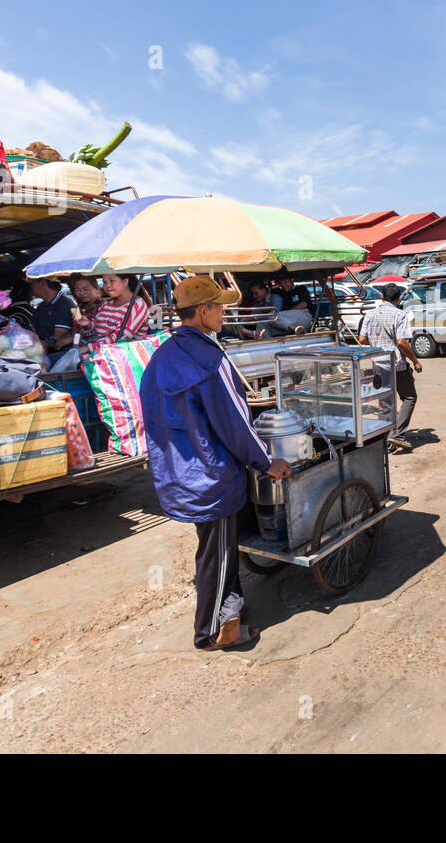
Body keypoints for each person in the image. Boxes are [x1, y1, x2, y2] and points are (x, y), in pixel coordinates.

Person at [142, 275, 293, 650]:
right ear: (204, 311)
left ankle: (230, 613)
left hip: (178, 471)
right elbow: (236, 423)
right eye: (221, 307)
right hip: (211, 475)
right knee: (217, 556)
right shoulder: (211, 359)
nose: (225, 313)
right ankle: (210, 633)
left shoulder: (161, 356)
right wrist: (265, 461)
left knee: (217, 549)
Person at [359, 284, 421, 446]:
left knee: (385, 401)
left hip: (378, 365)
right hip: (397, 365)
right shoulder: (400, 315)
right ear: (397, 299)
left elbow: (362, 339)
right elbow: (402, 342)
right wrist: (415, 361)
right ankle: (397, 435)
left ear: (381, 296)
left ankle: (384, 439)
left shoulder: (370, 314)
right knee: (409, 397)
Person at [89, 273, 150, 345]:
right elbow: (94, 324)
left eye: (111, 281)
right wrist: (87, 325)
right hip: (92, 344)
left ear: (125, 282)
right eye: (104, 282)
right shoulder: (107, 303)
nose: (107, 285)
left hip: (115, 352)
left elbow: (120, 339)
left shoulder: (137, 305)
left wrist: (86, 348)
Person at [30, 277, 77, 368]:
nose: (31, 286)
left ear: (43, 283)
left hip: (60, 357)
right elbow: (33, 331)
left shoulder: (65, 304)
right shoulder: (41, 307)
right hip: (42, 355)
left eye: (33, 283)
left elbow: (57, 340)